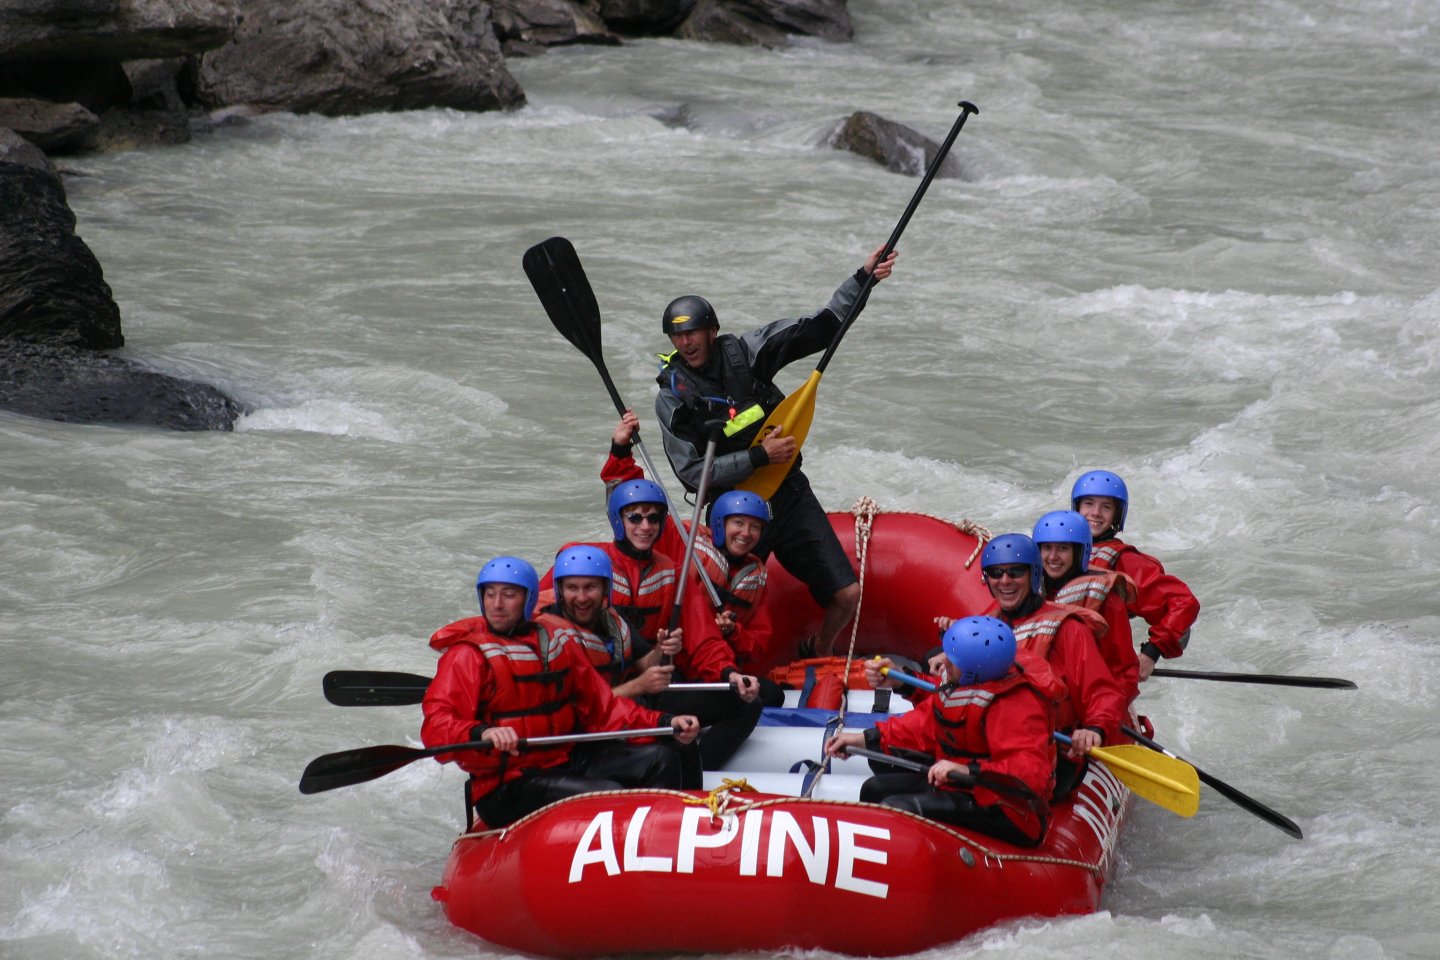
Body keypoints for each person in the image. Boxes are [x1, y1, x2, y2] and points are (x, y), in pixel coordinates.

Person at [652, 245, 898, 658]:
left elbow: (820, 327)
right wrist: (758, 458)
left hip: (788, 492)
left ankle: (816, 651)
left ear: (712, 331)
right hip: (732, 510)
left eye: (692, 332)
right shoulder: (672, 398)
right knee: (723, 613)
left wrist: (863, 277)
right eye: (678, 336)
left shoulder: (746, 352)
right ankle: (723, 676)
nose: (686, 341)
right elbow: (692, 474)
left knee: (847, 594)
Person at [421, 556, 700, 829]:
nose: (497, 604)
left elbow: (603, 707)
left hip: (563, 760)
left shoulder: (557, 641)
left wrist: (664, 723)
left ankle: (669, 838)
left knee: (663, 759)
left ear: (528, 599)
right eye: (490, 594)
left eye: (509, 595)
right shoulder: (467, 656)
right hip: (507, 784)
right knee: (607, 792)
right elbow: (436, 726)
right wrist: (482, 732)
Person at [544, 481, 766, 770]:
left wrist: (730, 674)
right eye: (635, 517)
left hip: (649, 683)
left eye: (654, 518)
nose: (645, 526)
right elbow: (540, 612)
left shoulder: (673, 571)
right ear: (618, 521)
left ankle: (699, 771)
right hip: (601, 691)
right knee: (662, 744)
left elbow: (703, 640)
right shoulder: (585, 566)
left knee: (750, 702)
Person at [825, 616, 1061, 846]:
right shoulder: (963, 687)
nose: (945, 663)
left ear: (974, 669)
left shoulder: (1016, 706)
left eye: (953, 659)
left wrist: (968, 770)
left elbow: (1031, 771)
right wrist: (861, 740)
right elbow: (920, 725)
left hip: (1008, 809)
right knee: (873, 789)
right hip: (963, 787)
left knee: (898, 808)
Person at [938, 534, 1125, 797]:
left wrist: (1094, 728)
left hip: (1047, 754)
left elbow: (1102, 692)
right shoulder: (987, 621)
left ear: (1034, 574)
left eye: (1015, 572)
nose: (1005, 581)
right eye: (996, 573)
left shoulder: (1068, 629)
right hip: (988, 743)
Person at [1070, 470, 1201, 682]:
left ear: (1117, 515)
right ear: (1076, 507)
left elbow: (1182, 603)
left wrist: (1150, 653)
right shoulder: (1054, 552)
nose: (1095, 513)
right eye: (1089, 504)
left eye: (1106, 507)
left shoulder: (1125, 562)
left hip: (1102, 678)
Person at [541, 544, 680, 701]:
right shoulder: (547, 634)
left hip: (620, 711)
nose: (582, 598)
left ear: (606, 588)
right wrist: (638, 686)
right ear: (560, 590)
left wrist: (662, 649)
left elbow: (647, 665)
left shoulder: (614, 619)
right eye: (572, 588)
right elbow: (576, 705)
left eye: (590, 587)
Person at [1032, 510, 1141, 704]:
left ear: (1080, 552)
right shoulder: (1026, 591)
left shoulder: (1106, 598)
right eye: (1047, 548)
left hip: (1089, 704)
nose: (1053, 557)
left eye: (1063, 548)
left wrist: (1098, 723)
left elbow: (1124, 672)